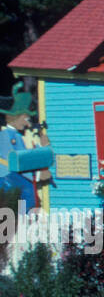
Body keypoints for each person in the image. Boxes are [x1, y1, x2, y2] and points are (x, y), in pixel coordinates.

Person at [0, 81, 50, 211]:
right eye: (25, 118)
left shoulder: (17, 136)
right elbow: (17, 160)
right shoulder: (6, 136)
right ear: (16, 117)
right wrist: (38, 174)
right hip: (8, 178)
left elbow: (27, 156)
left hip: (17, 178)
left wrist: (40, 146)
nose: (27, 123)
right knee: (23, 199)